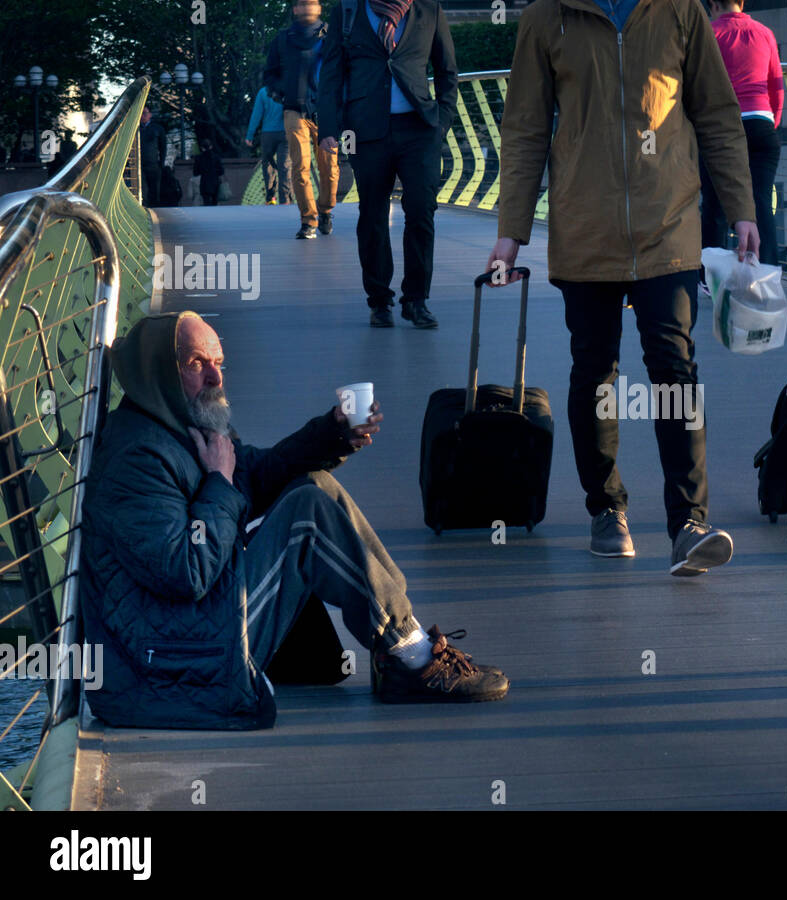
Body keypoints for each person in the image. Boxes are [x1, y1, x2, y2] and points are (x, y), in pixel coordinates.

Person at [80, 312, 509, 730]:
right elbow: (186, 573)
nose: (216, 378)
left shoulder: (182, 427)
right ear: (158, 372)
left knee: (313, 486)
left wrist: (333, 432)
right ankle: (410, 659)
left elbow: (255, 474)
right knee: (307, 517)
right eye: (197, 363)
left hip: (193, 634)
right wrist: (217, 482)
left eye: (219, 363)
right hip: (174, 663)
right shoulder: (136, 460)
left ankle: (400, 646)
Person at [489, 0, 758, 576]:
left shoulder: (679, 11)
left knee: (673, 366)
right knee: (595, 369)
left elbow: (715, 112)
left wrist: (741, 209)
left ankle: (689, 523)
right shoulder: (546, 17)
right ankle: (606, 507)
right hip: (585, 225)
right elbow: (525, 127)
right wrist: (510, 233)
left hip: (670, 224)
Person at [318, 0, 457, 330]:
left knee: (422, 211)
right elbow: (332, 72)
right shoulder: (347, 10)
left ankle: (416, 300)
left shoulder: (429, 9)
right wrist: (328, 128)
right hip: (367, 130)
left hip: (420, 129)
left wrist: (442, 122)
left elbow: (446, 69)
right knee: (373, 215)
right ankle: (380, 300)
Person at [700, 0, 783, 268]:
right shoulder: (764, 32)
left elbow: (698, 85)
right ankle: (766, 269)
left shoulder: (709, 34)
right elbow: (776, 86)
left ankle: (710, 275)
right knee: (760, 200)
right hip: (761, 124)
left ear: (712, 4)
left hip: (722, 129)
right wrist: (771, 122)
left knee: (715, 204)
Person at [265, 0, 339, 239]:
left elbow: (344, 68)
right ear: (295, 9)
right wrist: (279, 92)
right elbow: (270, 72)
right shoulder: (283, 39)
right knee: (300, 166)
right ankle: (309, 221)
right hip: (294, 110)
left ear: (319, 8)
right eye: (303, 4)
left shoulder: (330, 33)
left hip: (325, 111)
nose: (308, 7)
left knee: (329, 168)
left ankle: (325, 209)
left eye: (312, 3)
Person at [245, 85, 291, 204]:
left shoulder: (263, 92)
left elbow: (257, 114)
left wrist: (250, 135)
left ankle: (270, 197)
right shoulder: (288, 88)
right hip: (286, 132)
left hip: (267, 134)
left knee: (268, 165)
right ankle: (285, 199)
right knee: (284, 166)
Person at [138, 106, 167, 207]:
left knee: (154, 189)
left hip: (153, 164)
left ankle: (155, 209)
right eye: (141, 113)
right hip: (139, 164)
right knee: (142, 190)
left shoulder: (157, 129)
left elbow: (163, 147)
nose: (143, 116)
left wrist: (161, 163)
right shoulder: (136, 129)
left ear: (150, 115)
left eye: (145, 113)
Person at [194, 139, 225, 206]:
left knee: (206, 202)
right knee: (215, 202)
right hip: (215, 182)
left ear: (202, 148)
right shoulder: (216, 157)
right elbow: (221, 171)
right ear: (211, 146)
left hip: (204, 183)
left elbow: (195, 172)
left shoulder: (199, 158)